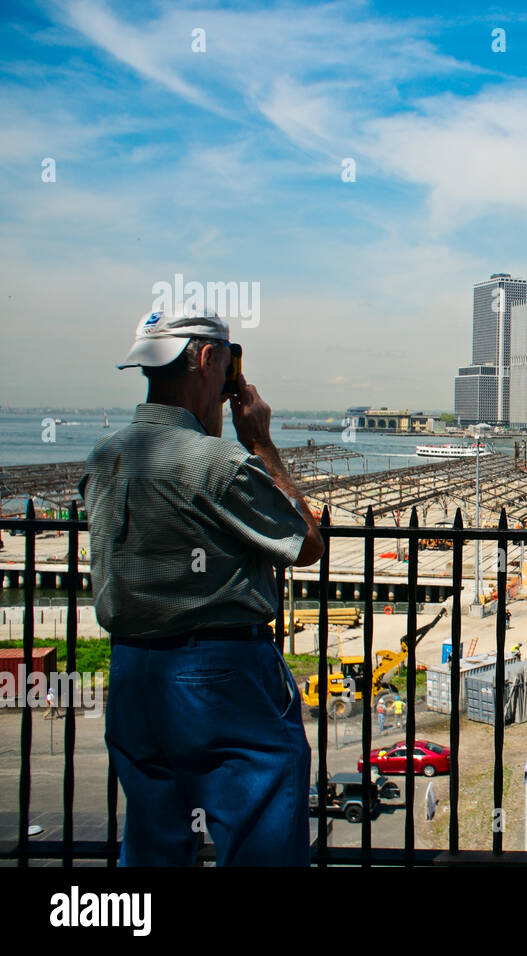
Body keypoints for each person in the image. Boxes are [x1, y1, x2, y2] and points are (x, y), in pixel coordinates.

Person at [79, 309, 323, 866]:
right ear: (210, 359)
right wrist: (260, 442)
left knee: (153, 843)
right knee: (262, 831)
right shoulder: (221, 462)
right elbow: (306, 543)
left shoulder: (105, 457)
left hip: (133, 672)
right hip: (221, 672)